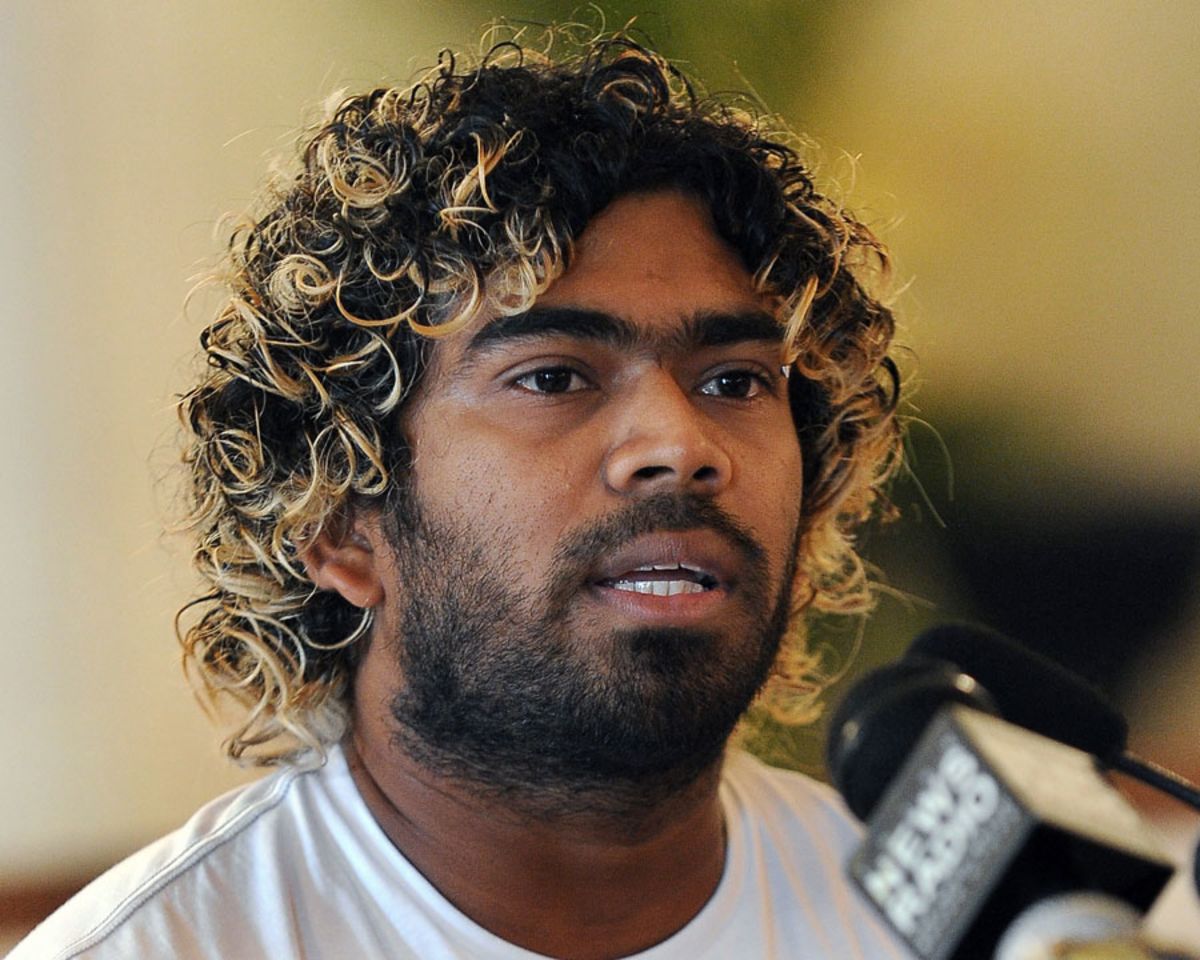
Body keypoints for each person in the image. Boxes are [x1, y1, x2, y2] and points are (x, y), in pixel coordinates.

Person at [12, 27, 909, 960]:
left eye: (734, 382)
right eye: (555, 377)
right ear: (338, 519)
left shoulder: (953, 923)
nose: (683, 446)